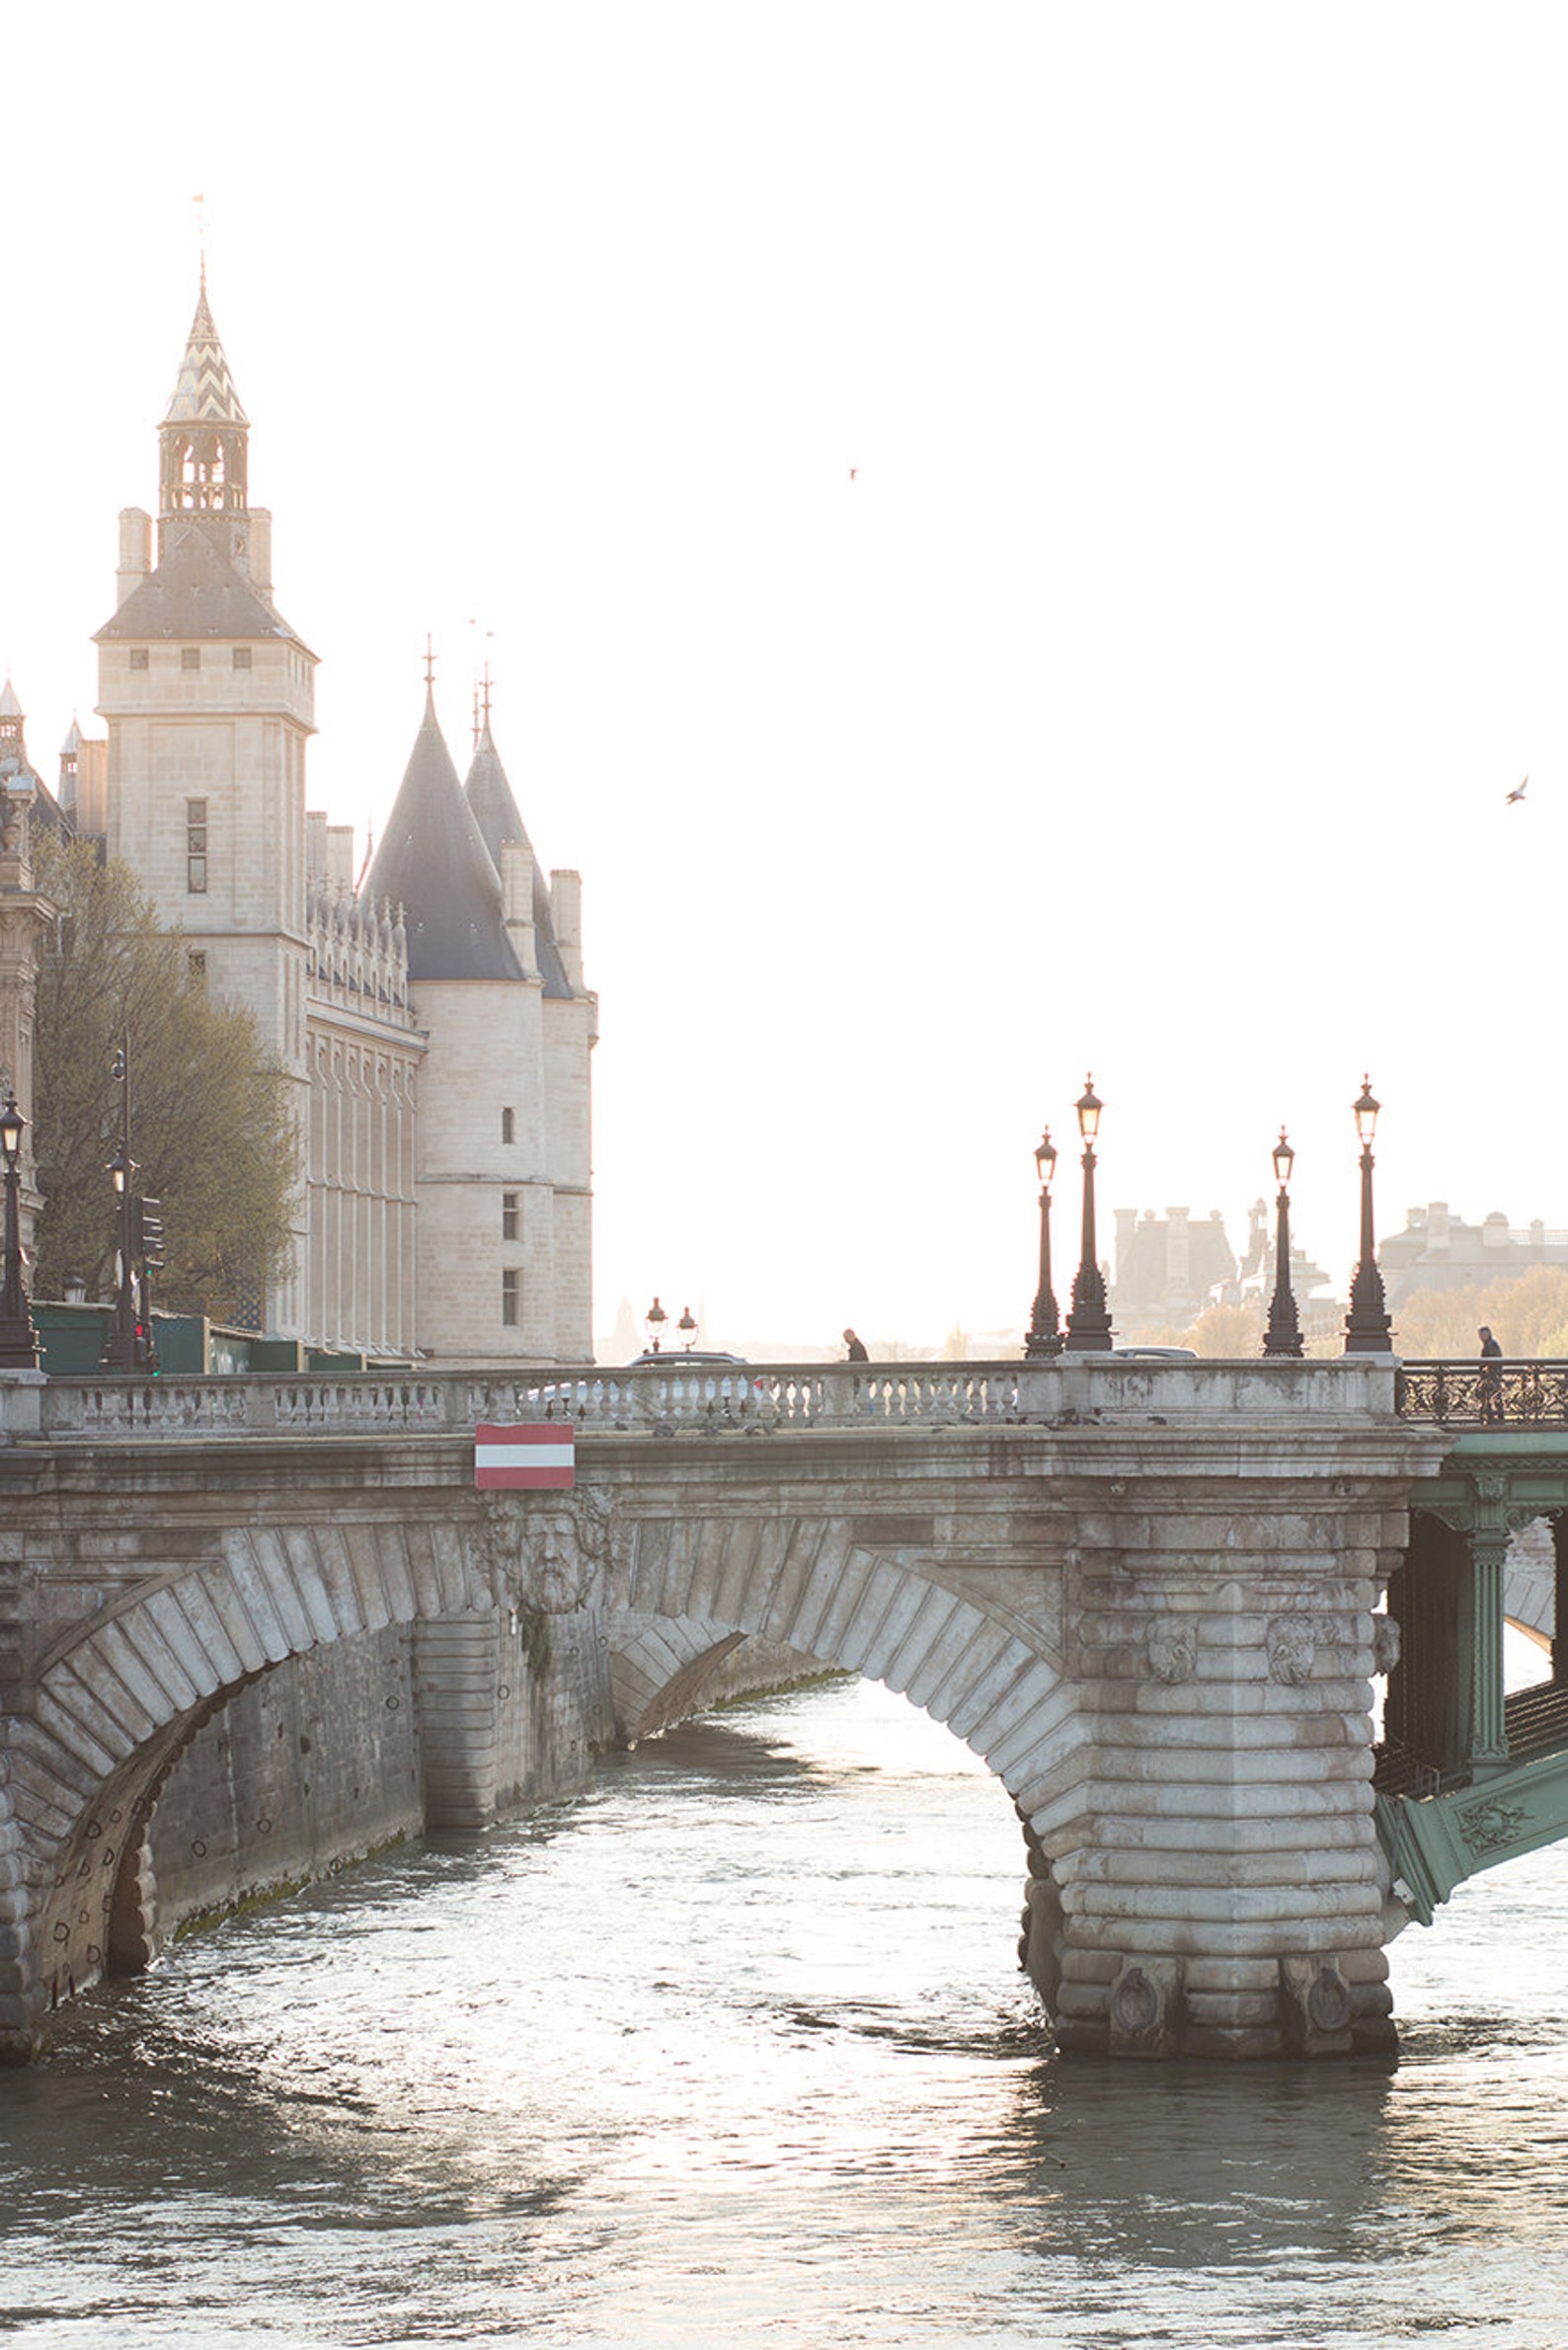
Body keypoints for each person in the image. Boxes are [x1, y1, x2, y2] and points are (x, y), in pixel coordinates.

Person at [1478, 1325, 1503, 1425]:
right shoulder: (1491, 1344)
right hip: (1493, 1375)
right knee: (1494, 1396)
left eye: (1482, 1334)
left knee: (1491, 1395)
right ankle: (1496, 1416)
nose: (1480, 1337)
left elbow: (1491, 1361)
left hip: (1492, 1376)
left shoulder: (1490, 1345)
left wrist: (1485, 1369)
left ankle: (1491, 1417)